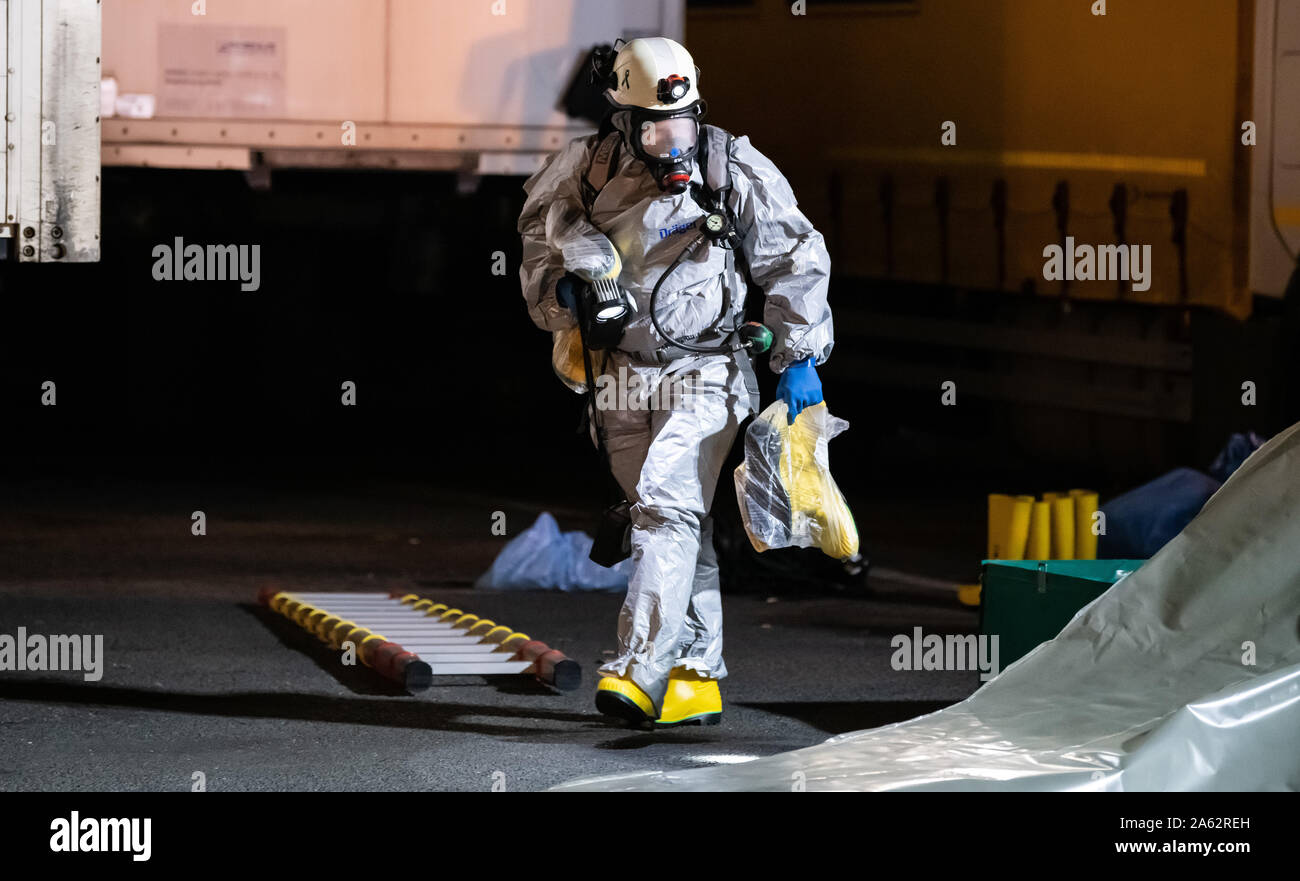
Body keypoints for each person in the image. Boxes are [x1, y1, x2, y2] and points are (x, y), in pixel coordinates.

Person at [517, 37, 833, 726]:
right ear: (625, 123)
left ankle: (637, 668)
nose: (674, 145)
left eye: (684, 125)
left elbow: (794, 254)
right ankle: (696, 674)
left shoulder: (728, 163)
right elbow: (539, 243)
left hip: (709, 369)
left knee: (665, 502)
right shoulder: (587, 169)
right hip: (621, 377)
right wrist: (565, 295)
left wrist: (800, 357)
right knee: (668, 521)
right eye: (657, 130)